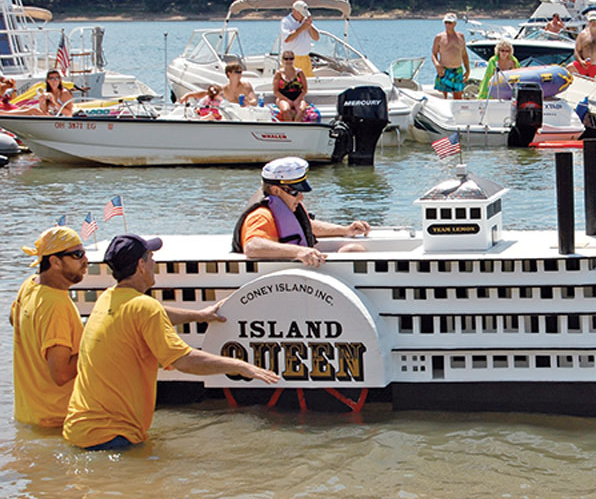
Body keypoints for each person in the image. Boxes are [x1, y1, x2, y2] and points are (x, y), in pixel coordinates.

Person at [62, 234, 280, 450]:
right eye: (151, 257)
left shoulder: (108, 299)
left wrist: (200, 315)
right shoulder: (144, 308)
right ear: (141, 265)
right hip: (111, 436)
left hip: (77, 430)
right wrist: (240, 366)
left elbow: (158, 314)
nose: (154, 262)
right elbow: (184, 361)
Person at [10, 227, 87, 428]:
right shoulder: (55, 304)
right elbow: (61, 374)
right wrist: (96, 345)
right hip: (56, 421)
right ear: (54, 261)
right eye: (77, 255)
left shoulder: (29, 286)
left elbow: (13, 319)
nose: (86, 260)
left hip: (29, 414)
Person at [233, 156, 371, 266]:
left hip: (300, 273)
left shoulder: (286, 207)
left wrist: (345, 230)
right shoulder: (261, 216)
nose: (301, 196)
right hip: (281, 280)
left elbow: (308, 226)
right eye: (295, 191)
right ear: (276, 190)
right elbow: (253, 247)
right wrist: (299, 252)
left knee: (353, 249)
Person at [432, 13, 470, 100]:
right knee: (443, 96)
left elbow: (464, 54)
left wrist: (467, 70)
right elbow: (434, 54)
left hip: (457, 70)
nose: (447, 25)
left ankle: (457, 112)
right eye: (446, 22)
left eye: (450, 22)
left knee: (458, 96)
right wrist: (437, 65)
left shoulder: (461, 36)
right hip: (445, 70)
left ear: (455, 24)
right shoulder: (439, 37)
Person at [280, 0, 319, 77]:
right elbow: (287, 39)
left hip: (305, 59)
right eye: (301, 14)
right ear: (294, 11)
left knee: (308, 83)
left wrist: (310, 26)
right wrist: (302, 28)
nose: (303, 16)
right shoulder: (286, 22)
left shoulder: (305, 21)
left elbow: (316, 38)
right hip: (291, 59)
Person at [273, 51, 309, 122]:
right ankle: (289, 126)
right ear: (282, 60)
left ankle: (296, 126)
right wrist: (287, 100)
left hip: (298, 97)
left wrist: (297, 100)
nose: (288, 61)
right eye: (286, 59)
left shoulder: (300, 73)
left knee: (302, 110)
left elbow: (305, 90)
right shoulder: (279, 74)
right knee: (286, 110)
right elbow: (276, 91)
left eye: (291, 58)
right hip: (283, 97)